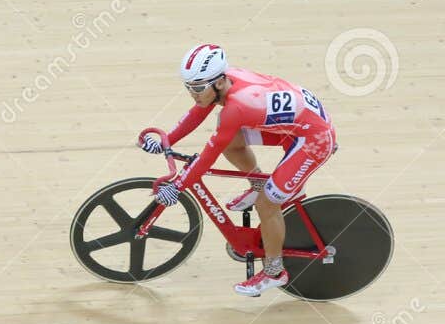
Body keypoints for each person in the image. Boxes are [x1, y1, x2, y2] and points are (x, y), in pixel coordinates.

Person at [139, 44, 337, 297]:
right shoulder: (224, 81)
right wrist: (168, 140)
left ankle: (275, 272)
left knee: (267, 204)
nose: (193, 94)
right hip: (297, 127)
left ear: (219, 83)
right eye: (188, 87)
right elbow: (198, 112)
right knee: (233, 142)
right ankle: (260, 186)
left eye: (198, 88)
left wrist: (178, 187)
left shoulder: (238, 106)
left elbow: (208, 154)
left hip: (314, 141)